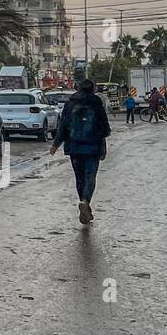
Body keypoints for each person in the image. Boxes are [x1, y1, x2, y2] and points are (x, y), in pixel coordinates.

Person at [49, 77, 111, 225]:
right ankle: (85, 201)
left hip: (74, 148)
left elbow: (63, 126)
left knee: (79, 178)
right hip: (93, 148)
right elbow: (106, 130)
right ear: (93, 89)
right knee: (90, 177)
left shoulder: (70, 104)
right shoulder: (97, 104)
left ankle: (83, 203)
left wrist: (55, 144)